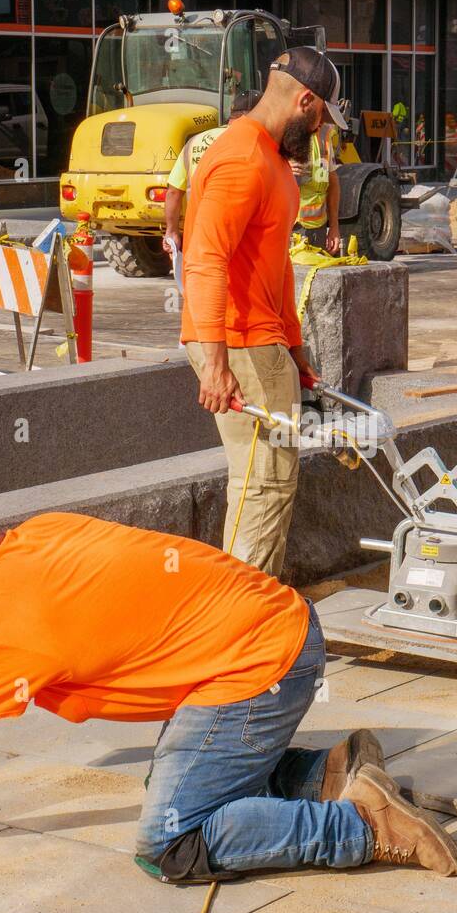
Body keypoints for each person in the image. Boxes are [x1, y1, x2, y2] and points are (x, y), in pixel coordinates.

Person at [0, 501, 457, 879]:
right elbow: (9, 619)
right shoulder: (38, 536)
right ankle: (327, 773)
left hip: (255, 668)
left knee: (171, 841)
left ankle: (360, 825)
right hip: (278, 627)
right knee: (176, 792)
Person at [181, 47, 343, 577]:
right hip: (241, 343)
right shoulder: (241, 158)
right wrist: (215, 362)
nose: (322, 132)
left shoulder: (269, 157)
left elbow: (279, 265)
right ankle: (242, 621)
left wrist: (293, 347)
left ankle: (240, 614)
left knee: (260, 482)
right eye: (321, 118)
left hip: (260, 342)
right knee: (266, 483)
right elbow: (205, 261)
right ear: (304, 100)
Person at [162, 90, 259, 259]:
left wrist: (171, 232)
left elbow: (173, 192)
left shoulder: (194, 142)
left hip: (196, 236)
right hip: (235, 239)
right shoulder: (251, 141)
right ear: (254, 114)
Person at [288, 58, 344, 256]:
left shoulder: (327, 133)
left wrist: (334, 227)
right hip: (290, 226)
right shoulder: (285, 129)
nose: (324, 121)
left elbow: (332, 180)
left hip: (317, 228)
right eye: (323, 114)